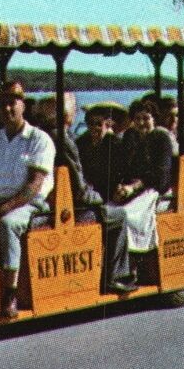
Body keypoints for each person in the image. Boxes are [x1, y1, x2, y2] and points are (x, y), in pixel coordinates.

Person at [37, 94, 136, 293]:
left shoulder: (41, 135)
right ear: (68, 115)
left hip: (55, 202)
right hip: (73, 207)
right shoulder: (66, 141)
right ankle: (116, 276)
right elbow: (81, 192)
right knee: (118, 215)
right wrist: (99, 198)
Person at [0, 87, 56, 317]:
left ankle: (10, 294)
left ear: (23, 105)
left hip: (31, 205)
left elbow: (33, 186)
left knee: (8, 224)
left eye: (13, 103)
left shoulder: (39, 140)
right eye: (3, 104)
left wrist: (2, 209)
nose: (7, 108)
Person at [114, 101, 175, 266]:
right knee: (109, 210)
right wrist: (120, 186)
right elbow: (123, 167)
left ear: (153, 119)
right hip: (132, 189)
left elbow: (160, 176)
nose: (142, 123)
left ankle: (132, 262)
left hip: (154, 189)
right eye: (138, 119)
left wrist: (135, 186)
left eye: (146, 118)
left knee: (126, 214)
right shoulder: (129, 137)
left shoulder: (162, 138)